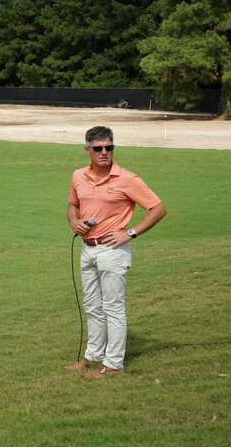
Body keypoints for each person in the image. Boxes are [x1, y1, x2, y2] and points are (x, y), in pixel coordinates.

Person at [64, 126, 167, 379]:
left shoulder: (127, 179)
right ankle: (93, 356)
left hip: (113, 250)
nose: (104, 153)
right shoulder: (78, 176)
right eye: (98, 148)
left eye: (109, 147)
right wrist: (74, 222)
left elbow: (158, 208)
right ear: (87, 150)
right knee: (92, 306)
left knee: (113, 307)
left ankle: (113, 364)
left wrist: (130, 233)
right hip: (87, 250)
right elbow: (72, 205)